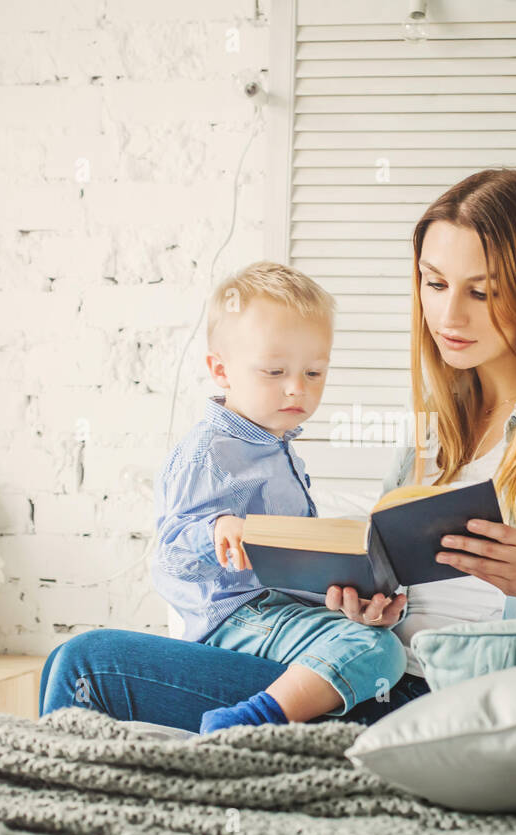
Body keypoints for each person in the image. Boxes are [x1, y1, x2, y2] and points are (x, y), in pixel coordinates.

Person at [39, 168, 516, 731]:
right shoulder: (434, 433)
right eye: (433, 283)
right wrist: (366, 604)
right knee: (82, 661)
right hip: (361, 679)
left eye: (481, 291)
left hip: (463, 704)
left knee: (91, 672)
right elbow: (393, 604)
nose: (448, 314)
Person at [153, 260, 408, 732]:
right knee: (377, 651)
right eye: (275, 371)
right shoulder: (207, 453)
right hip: (234, 618)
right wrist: (215, 530)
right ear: (220, 370)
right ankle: (248, 723)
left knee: (376, 639)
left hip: (280, 611)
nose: (297, 388)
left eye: (314, 372)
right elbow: (169, 551)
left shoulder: (277, 445)